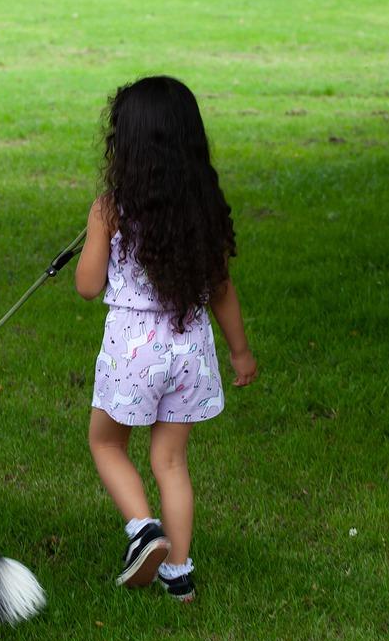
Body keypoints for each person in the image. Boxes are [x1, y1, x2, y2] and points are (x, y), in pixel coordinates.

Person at [74, 75, 258, 603]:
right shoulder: (203, 208)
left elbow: (88, 287)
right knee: (171, 462)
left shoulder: (109, 209)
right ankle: (179, 571)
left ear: (124, 145)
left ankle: (143, 529)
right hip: (190, 348)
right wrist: (240, 352)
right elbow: (221, 289)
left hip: (134, 350)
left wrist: (96, 230)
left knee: (106, 442)